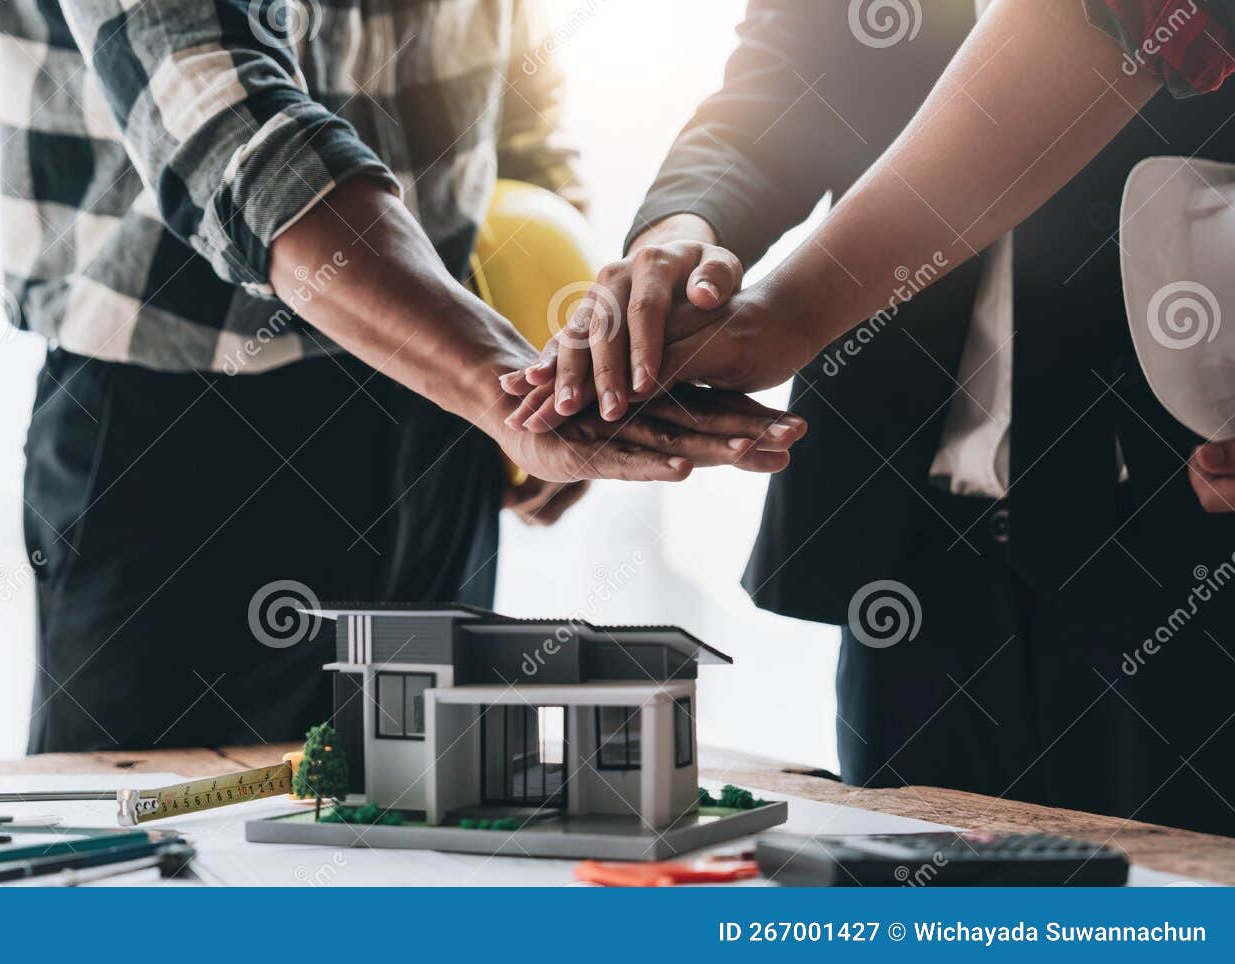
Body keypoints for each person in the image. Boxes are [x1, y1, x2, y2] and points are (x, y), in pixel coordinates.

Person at [0, 1, 806, 753]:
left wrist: (565, 357)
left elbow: (517, 104)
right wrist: (510, 384)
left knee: (428, 811)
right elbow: (242, 144)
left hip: (441, 404)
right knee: (139, 828)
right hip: (171, 421)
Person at [514, 0, 1235, 834]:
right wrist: (680, 232)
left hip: (1183, 534)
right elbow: (783, 77)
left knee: (1180, 897)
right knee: (903, 892)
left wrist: (787, 314)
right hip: (908, 548)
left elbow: (1100, 24)